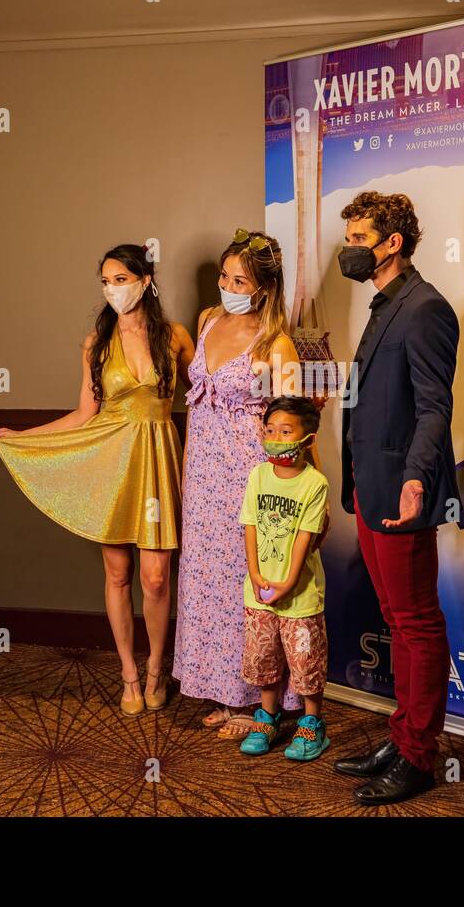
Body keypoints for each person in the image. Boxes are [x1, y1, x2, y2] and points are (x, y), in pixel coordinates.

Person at [0, 244, 195, 716]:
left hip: (158, 461)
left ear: (145, 280)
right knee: (118, 573)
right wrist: (24, 436)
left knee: (157, 577)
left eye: (121, 278)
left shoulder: (175, 337)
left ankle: (156, 669)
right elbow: (85, 413)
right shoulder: (96, 344)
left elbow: (203, 396)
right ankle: (128, 673)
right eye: (106, 281)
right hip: (112, 463)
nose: (112, 289)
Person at [330, 191, 460, 805]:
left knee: (416, 622)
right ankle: (402, 735)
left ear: (392, 244)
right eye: (350, 237)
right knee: (396, 620)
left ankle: (419, 756)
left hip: (402, 493)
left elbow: (435, 409)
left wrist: (415, 479)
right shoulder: (385, 304)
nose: (349, 250)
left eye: (359, 240)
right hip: (371, 488)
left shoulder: (426, 308)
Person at [173, 229, 307, 736]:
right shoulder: (208, 321)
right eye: (224, 277)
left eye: (239, 280)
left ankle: (259, 704)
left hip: (250, 475)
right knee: (208, 584)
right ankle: (223, 691)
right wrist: (187, 471)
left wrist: (302, 497)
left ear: (264, 287)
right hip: (203, 472)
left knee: (248, 586)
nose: (228, 286)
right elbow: (196, 406)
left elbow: (293, 425)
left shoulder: (277, 343)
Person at [237, 396, 331, 761]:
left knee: (306, 663)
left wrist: (288, 583)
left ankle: (312, 725)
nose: (275, 437)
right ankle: (268, 717)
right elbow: (249, 526)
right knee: (264, 659)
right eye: (270, 429)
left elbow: (305, 540)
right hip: (258, 592)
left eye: (286, 431)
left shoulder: (315, 484)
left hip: (300, 596)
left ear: (307, 440)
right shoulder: (258, 475)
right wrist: (256, 575)